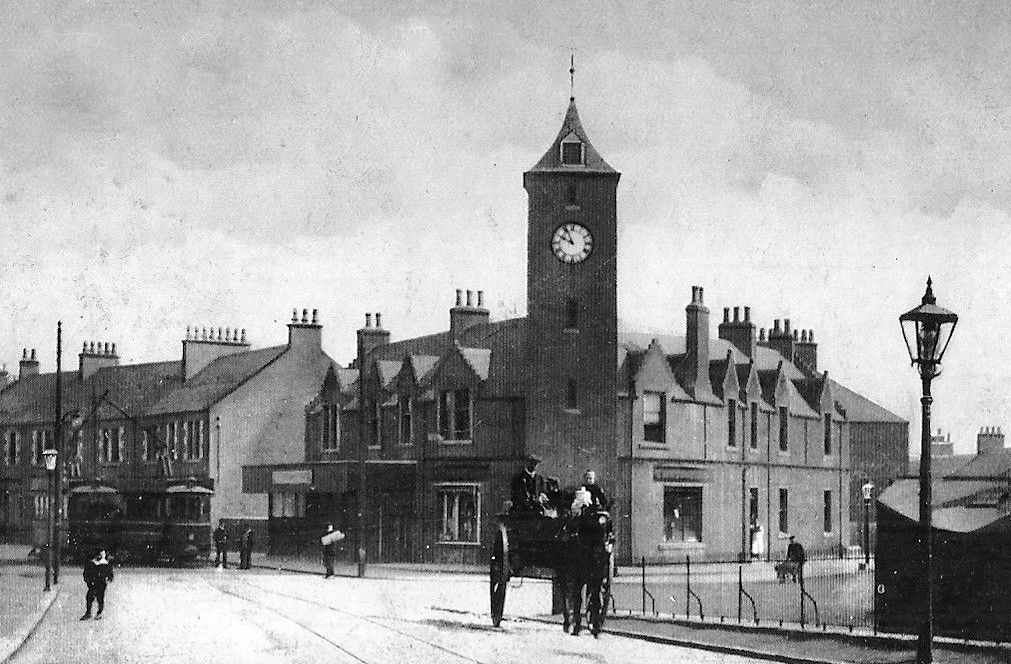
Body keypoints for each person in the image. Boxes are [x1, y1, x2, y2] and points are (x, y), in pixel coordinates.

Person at [80, 549, 114, 621]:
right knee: (90, 597)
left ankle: (99, 613)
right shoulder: (91, 563)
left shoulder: (105, 563)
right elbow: (86, 572)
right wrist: (87, 580)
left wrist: (109, 578)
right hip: (93, 582)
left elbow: (109, 573)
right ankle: (88, 612)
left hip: (101, 582)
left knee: (100, 598)